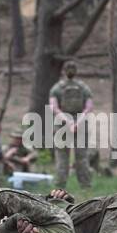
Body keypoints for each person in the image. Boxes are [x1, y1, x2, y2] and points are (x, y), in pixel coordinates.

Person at [48, 60, 94, 188]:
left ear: (63, 71)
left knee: (62, 157)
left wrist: (67, 122)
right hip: (80, 124)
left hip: (61, 125)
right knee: (82, 156)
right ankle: (85, 186)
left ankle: (60, 185)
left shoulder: (57, 88)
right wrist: (77, 122)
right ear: (76, 71)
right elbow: (89, 107)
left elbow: (54, 108)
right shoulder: (84, 87)